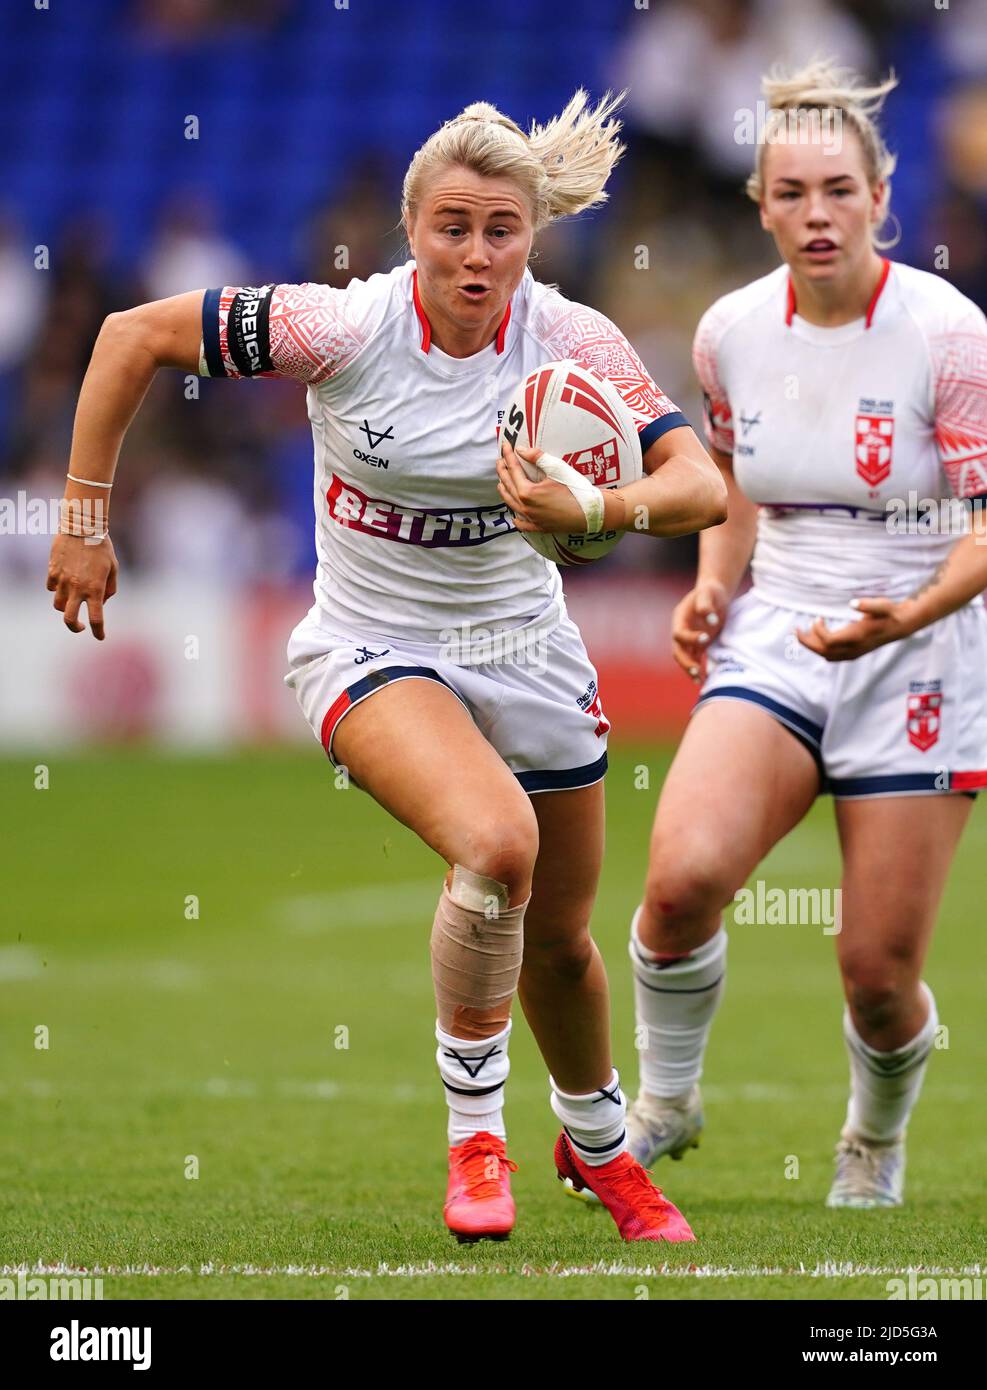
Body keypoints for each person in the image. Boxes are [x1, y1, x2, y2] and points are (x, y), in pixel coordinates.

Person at [46, 92, 726, 1243]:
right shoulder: (339, 328)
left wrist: (599, 504)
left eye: (500, 230)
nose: (476, 253)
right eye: (452, 226)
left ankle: (602, 1148)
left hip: (526, 648)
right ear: (410, 228)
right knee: (494, 843)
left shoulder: (572, 342)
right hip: (372, 646)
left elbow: (700, 485)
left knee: (560, 940)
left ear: (531, 236)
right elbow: (132, 336)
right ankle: (475, 1142)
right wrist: (84, 515)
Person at [622, 60, 987, 1209]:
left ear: (882, 196)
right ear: (761, 204)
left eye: (839, 190)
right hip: (781, 628)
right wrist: (712, 584)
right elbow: (731, 477)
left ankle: (873, 1137)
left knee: (877, 976)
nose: (816, 214)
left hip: (922, 641)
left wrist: (916, 611)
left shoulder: (950, 334)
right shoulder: (731, 330)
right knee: (679, 883)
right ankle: (667, 1103)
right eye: (792, 193)